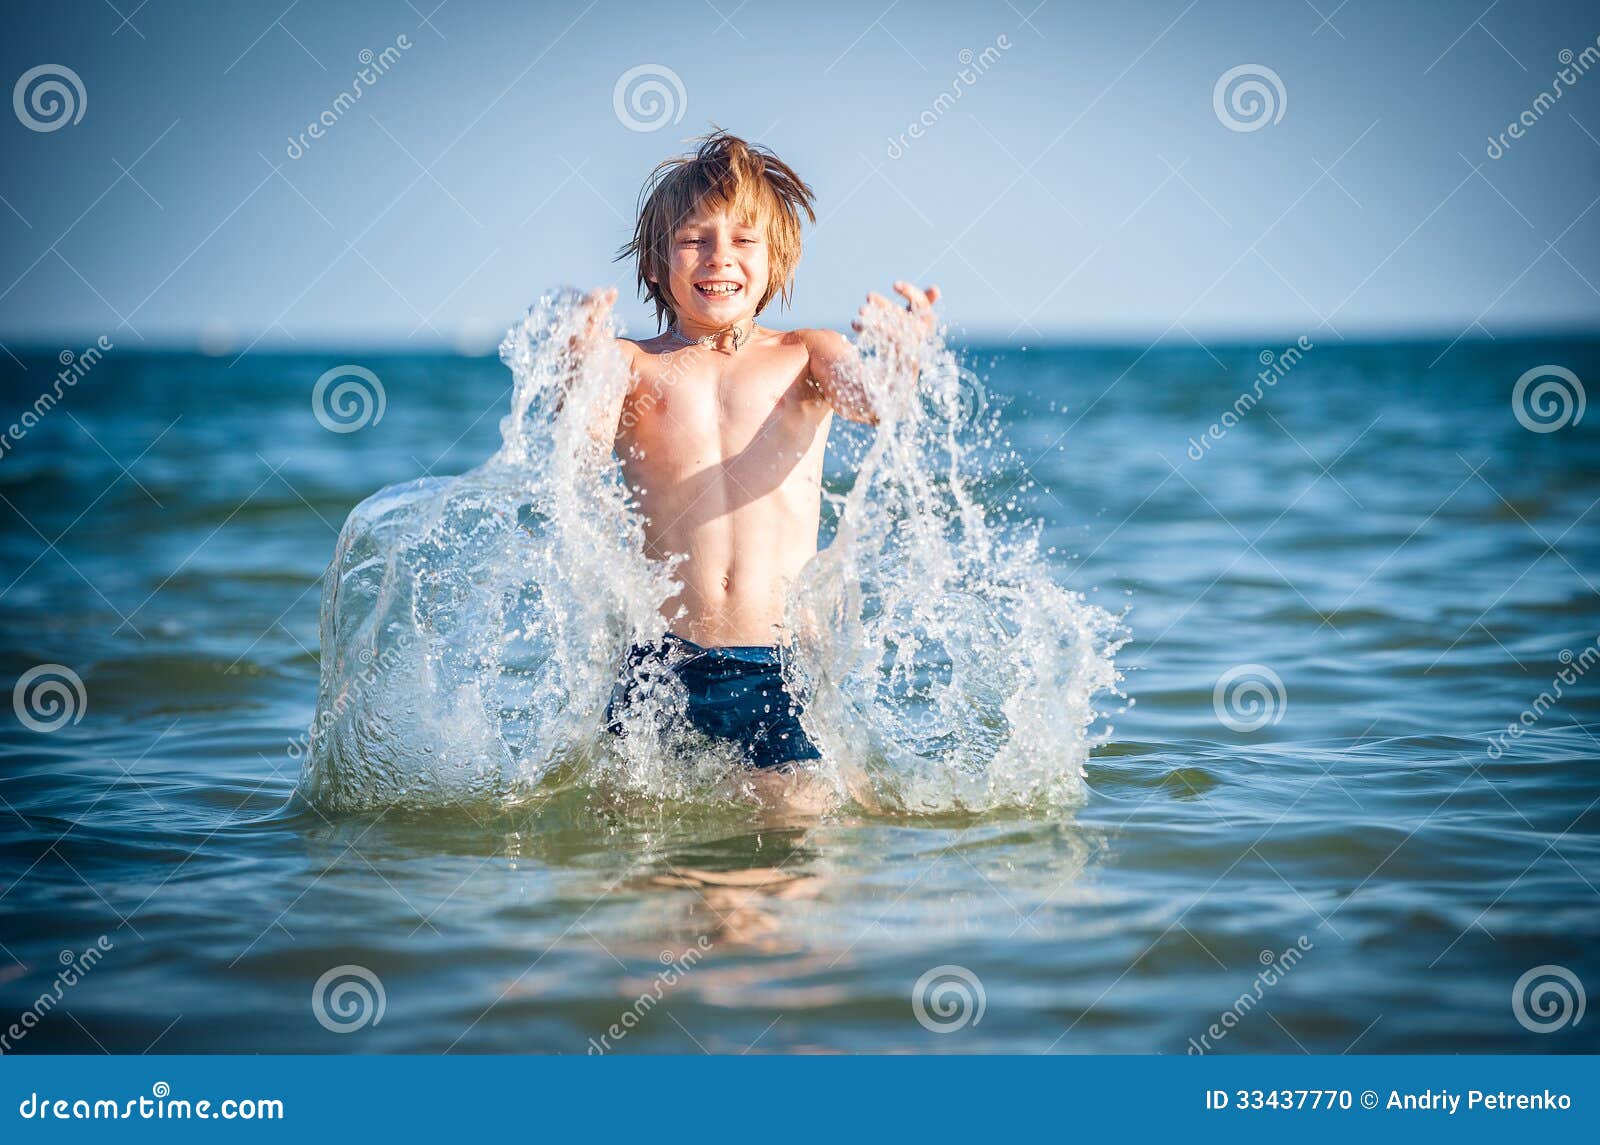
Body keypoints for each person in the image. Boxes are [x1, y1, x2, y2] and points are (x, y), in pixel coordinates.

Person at [577, 129, 939, 803]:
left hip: (775, 666)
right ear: (657, 262)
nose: (721, 257)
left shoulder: (807, 354)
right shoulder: (631, 365)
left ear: (777, 260)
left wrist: (905, 359)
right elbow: (580, 452)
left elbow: (876, 405)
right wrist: (577, 374)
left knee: (795, 818)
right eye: (695, 239)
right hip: (660, 665)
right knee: (628, 846)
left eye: (744, 240)